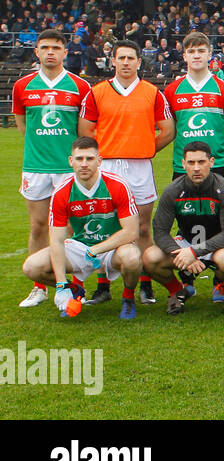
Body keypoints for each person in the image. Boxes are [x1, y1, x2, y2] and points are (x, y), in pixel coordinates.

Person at [78, 39, 175, 306]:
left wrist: (145, 148)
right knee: (105, 227)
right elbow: (86, 130)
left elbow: (168, 130)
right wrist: (102, 154)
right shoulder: (97, 92)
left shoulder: (152, 92)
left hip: (140, 165)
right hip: (107, 165)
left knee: (143, 228)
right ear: (113, 61)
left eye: (130, 58)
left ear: (139, 62)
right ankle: (103, 285)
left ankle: (145, 284)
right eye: (120, 58)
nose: (125, 63)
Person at [22, 137, 143, 320]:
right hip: (79, 247)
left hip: (112, 248)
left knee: (133, 258)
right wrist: (61, 284)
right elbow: (56, 239)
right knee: (31, 267)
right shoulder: (62, 191)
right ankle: (74, 290)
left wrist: (97, 249)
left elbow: (131, 231)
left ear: (99, 161)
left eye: (90, 159)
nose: (84, 164)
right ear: (71, 161)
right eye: (79, 159)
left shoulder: (117, 185)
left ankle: (128, 297)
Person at [14, 30, 91, 308]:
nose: (50, 52)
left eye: (56, 47)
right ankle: (40, 287)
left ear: (65, 52)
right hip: (35, 167)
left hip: (67, 168)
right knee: (37, 226)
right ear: (36, 51)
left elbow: (83, 131)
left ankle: (76, 285)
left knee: (69, 228)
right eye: (44, 47)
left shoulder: (80, 86)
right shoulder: (22, 86)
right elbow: (22, 126)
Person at [142, 142, 224, 314]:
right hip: (187, 242)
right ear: (183, 164)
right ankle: (177, 292)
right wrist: (179, 252)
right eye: (191, 162)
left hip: (218, 245)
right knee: (150, 257)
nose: (196, 168)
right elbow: (159, 231)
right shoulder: (173, 190)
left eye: (201, 162)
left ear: (211, 162)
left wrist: (194, 252)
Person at [163, 33, 224, 181]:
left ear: (210, 54)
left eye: (201, 51)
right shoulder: (172, 90)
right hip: (183, 165)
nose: (196, 56)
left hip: (217, 164)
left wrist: (219, 151)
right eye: (191, 51)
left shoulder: (223, 89)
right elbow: (170, 129)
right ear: (184, 56)